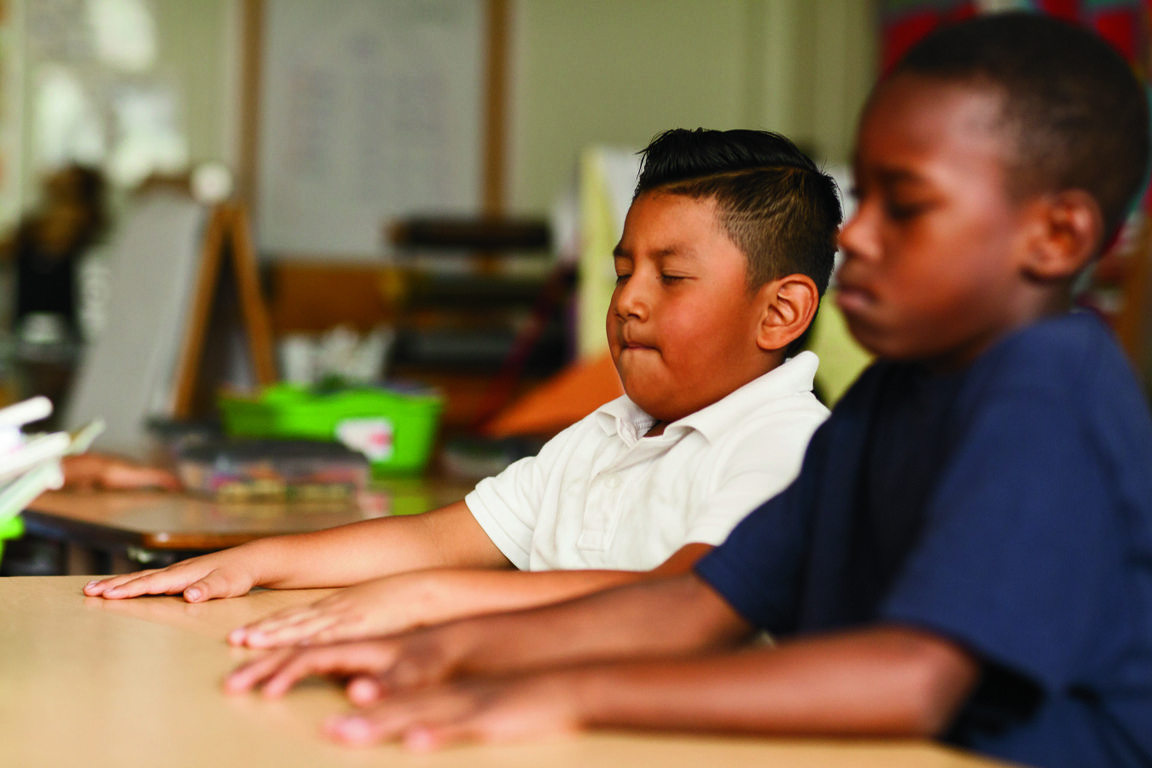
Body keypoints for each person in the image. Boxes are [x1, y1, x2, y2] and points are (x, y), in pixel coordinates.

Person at [221, 14, 1152, 768]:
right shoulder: (894, 396)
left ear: (1056, 236)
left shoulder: (1047, 385)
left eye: (904, 205)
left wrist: (565, 691)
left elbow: (912, 679)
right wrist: (444, 650)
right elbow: (702, 603)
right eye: (861, 199)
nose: (856, 237)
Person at [85, 128, 842, 648]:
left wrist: (433, 599)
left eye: (671, 277)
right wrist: (257, 561)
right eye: (622, 271)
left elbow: (693, 600)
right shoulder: (603, 434)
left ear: (780, 311)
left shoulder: (788, 446)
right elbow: (436, 540)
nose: (630, 300)